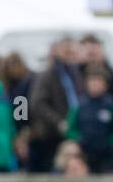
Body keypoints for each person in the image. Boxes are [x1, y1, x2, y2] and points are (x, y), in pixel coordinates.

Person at [28, 38, 82, 173]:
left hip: (71, 132)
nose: (70, 55)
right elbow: (36, 103)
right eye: (66, 51)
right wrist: (58, 122)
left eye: (72, 51)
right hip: (50, 135)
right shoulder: (47, 74)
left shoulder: (75, 73)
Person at [65, 67, 113, 174]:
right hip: (84, 154)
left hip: (107, 156)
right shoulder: (79, 104)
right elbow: (70, 128)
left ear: (105, 85)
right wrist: (79, 140)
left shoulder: (111, 104)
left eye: (98, 81)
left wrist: (110, 142)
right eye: (92, 81)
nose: (95, 84)